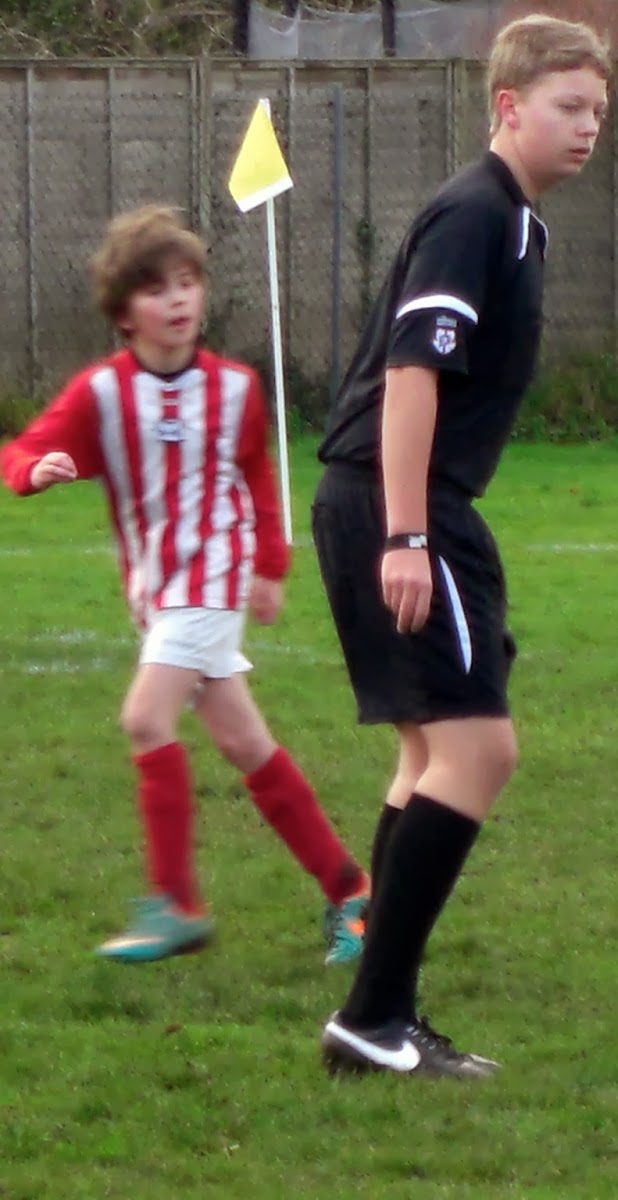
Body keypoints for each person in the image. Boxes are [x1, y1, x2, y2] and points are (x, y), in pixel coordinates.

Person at [311, 15, 609, 1079]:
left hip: (419, 508)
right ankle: (372, 1016)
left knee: (427, 757)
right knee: (481, 753)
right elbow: (410, 376)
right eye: (569, 108)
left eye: (598, 113)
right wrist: (403, 532)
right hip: (404, 506)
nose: (587, 128)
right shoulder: (472, 213)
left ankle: (377, 1012)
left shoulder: (519, 224)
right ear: (508, 107)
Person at [0, 205, 370, 965]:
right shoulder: (100, 394)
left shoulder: (235, 389)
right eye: (157, 288)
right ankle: (350, 890)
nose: (178, 300)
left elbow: (257, 475)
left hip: (211, 574)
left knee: (145, 717)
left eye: (189, 282)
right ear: (123, 312)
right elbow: (23, 452)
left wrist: (269, 564)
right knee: (244, 742)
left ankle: (177, 901)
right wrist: (36, 473)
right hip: (158, 591)